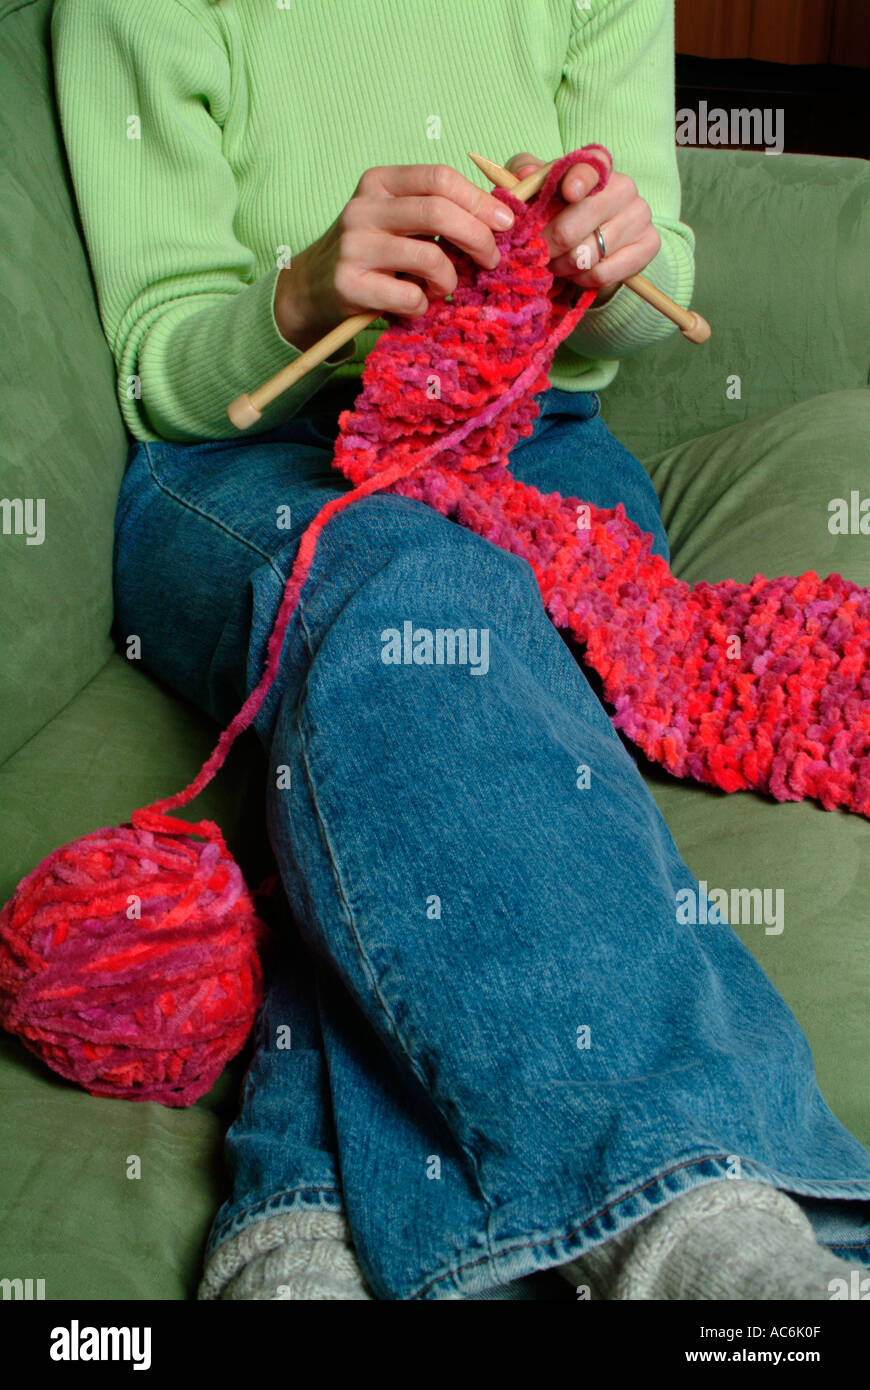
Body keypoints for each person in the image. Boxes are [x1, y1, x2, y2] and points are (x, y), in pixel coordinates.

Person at [50, 0, 870, 1300]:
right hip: (247, 458)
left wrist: (603, 269)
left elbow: (644, 309)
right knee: (420, 598)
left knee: (429, 717)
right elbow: (158, 364)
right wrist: (297, 294)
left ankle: (299, 1226)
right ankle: (704, 1227)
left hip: (530, 431)